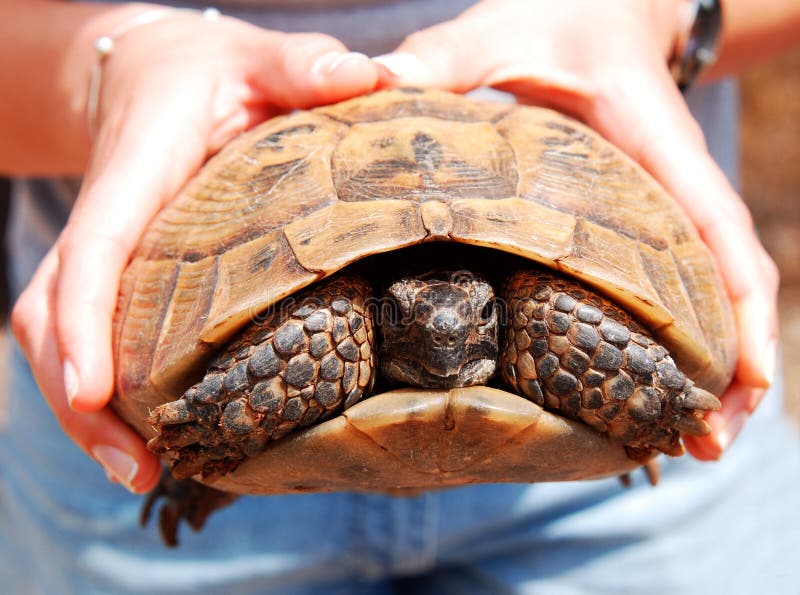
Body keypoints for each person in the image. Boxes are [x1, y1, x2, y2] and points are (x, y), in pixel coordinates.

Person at [2, 0, 799, 592]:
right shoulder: (341, 329)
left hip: (637, 508)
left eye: (480, 314)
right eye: (408, 316)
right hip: (119, 472)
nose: (450, 333)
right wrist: (108, 64)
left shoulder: (535, 315)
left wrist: (666, 12)